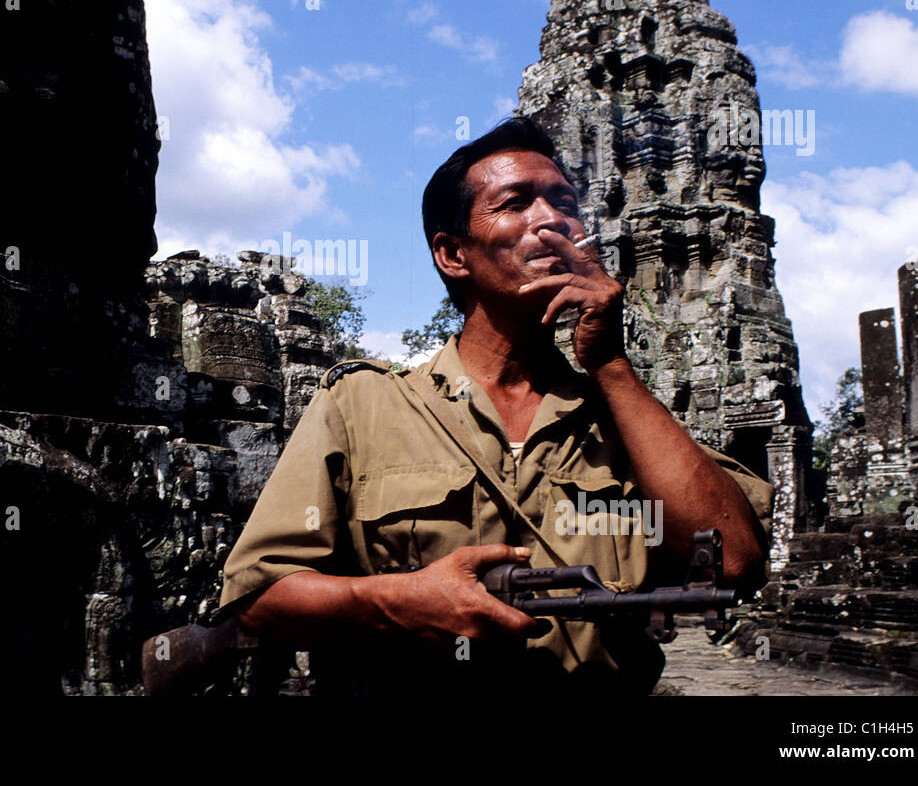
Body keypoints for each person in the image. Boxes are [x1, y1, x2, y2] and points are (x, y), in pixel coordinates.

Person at [218, 116, 773, 694]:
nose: (552, 220)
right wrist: (396, 600)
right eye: (515, 204)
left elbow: (733, 561)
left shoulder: (625, 423)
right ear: (453, 254)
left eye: (564, 202)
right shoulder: (363, 404)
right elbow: (259, 596)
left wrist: (611, 366)